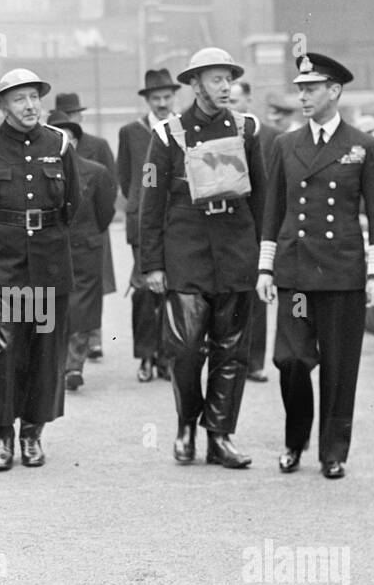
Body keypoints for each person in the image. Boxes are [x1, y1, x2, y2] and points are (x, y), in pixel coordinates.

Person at [257, 53, 374, 480]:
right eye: (300, 89)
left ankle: (333, 452)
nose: (304, 96)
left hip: (341, 275)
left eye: (311, 89)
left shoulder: (363, 146)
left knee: (338, 366)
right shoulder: (285, 145)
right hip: (296, 276)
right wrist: (265, 269)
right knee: (291, 360)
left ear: (335, 91)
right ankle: (295, 440)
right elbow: (272, 210)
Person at [139, 47, 265, 469]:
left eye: (228, 79)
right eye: (216, 80)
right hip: (187, 255)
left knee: (232, 352)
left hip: (236, 253)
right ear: (194, 85)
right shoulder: (167, 134)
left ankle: (221, 436)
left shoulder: (248, 130)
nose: (225, 87)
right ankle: (186, 425)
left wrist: (264, 258)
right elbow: (150, 204)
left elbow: (263, 199)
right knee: (187, 349)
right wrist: (152, 264)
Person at [0, 68, 80, 471]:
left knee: (44, 350)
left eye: (34, 97)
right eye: (20, 99)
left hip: (47, 262)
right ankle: (3, 437)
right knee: (3, 350)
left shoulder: (58, 143)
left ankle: (33, 435)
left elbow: (71, 203)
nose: (30, 106)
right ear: (3, 105)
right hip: (0, 263)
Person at [48, 109, 116, 392]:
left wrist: (86, 233)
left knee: (83, 307)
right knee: (57, 306)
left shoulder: (96, 172)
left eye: (67, 139)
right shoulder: (44, 175)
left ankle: (73, 366)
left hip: (86, 248)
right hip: (53, 250)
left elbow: (106, 213)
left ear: (75, 141)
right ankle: (61, 365)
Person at [118, 69, 179, 383]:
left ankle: (168, 357)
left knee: (173, 290)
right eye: (156, 98)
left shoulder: (183, 128)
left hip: (178, 223)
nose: (162, 103)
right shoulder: (131, 132)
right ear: (147, 100)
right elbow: (126, 178)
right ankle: (145, 357)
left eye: (167, 97)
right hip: (142, 223)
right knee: (144, 292)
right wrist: (142, 207)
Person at [228, 79, 270, 383]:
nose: (228, 107)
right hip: (229, 228)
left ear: (248, 102)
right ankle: (231, 359)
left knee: (256, 297)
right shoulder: (218, 134)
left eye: (234, 101)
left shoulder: (271, 137)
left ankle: (254, 362)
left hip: (260, 226)